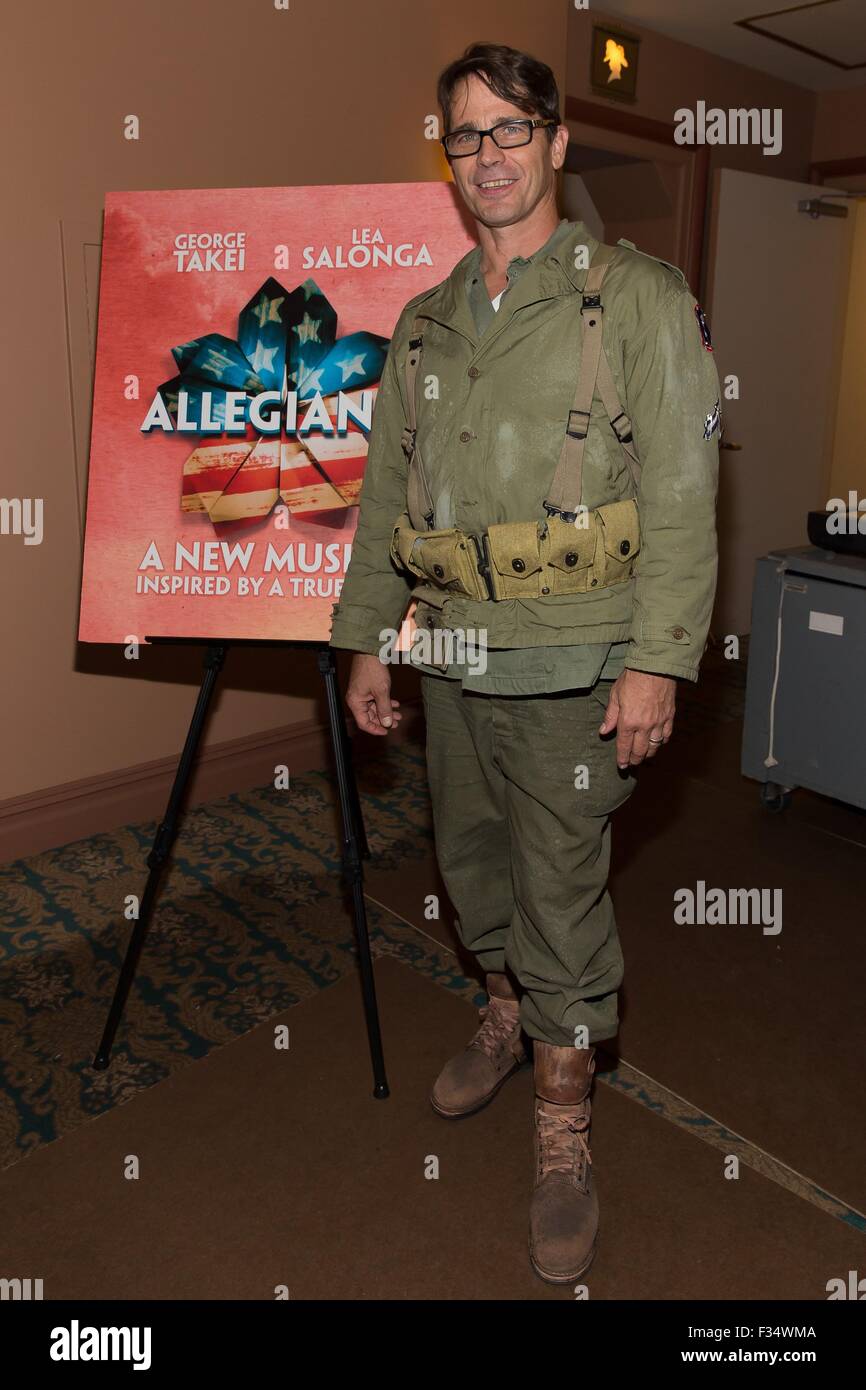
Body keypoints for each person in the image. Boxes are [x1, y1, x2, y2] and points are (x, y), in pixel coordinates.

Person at [328, 41, 720, 1284]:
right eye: (465, 136)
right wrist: (364, 639)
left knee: (558, 896)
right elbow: (389, 487)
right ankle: (505, 1009)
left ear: (555, 142)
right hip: (450, 655)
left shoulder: (639, 297)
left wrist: (657, 662)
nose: (488, 155)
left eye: (511, 130)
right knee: (468, 864)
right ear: (446, 158)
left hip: (576, 668)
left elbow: (678, 489)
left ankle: (564, 1125)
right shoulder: (428, 321)